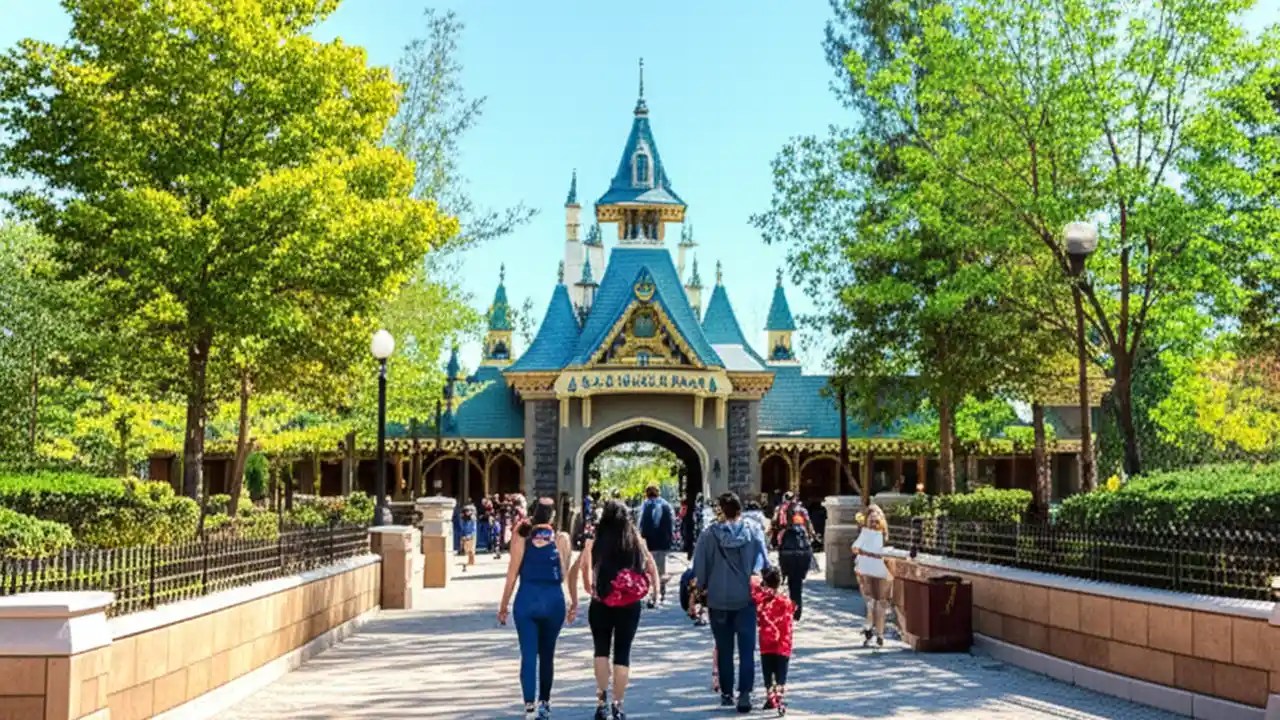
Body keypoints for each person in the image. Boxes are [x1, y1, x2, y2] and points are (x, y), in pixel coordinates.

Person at [573, 500, 658, 720]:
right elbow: (651, 565)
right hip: (629, 605)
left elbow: (583, 566)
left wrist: (587, 587)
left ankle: (601, 703)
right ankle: (618, 705)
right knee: (623, 653)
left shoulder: (596, 540)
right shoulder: (636, 540)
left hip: (601, 601)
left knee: (601, 650)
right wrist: (655, 592)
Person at [497, 498, 576, 719]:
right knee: (548, 655)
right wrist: (572, 601)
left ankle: (529, 707)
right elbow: (564, 573)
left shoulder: (521, 535)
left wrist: (503, 605)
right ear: (553, 516)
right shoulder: (561, 539)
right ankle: (545, 703)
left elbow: (512, 573)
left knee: (528, 655)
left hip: (527, 599)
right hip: (553, 601)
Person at [693, 491, 769, 713]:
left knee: (724, 648)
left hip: (718, 598)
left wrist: (700, 589)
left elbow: (700, 568)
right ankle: (744, 692)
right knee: (747, 649)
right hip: (746, 598)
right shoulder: (753, 531)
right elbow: (764, 561)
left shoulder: (709, 535)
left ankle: (727, 692)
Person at [752, 566, 795, 714]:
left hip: (766, 643)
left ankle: (771, 698)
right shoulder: (786, 601)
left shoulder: (762, 601)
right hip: (783, 644)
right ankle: (779, 699)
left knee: (768, 674)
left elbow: (758, 619)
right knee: (781, 674)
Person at [852, 504, 891, 647]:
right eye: (871, 521)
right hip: (865, 569)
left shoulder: (884, 534)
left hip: (880, 570)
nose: (874, 524)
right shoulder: (865, 533)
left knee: (881, 603)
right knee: (871, 602)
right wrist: (868, 553)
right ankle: (869, 628)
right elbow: (855, 548)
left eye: (877, 521)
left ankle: (879, 634)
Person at [775, 493, 815, 620]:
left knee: (789, 581)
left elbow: (774, 526)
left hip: (786, 550)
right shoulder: (802, 511)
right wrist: (812, 536)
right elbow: (809, 527)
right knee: (798, 583)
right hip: (802, 550)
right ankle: (797, 610)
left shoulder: (780, 510)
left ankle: (790, 607)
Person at [637, 484, 674, 608]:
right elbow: (671, 525)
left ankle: (650, 594)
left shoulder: (645, 506)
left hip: (648, 543)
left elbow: (639, 524)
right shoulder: (666, 505)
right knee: (660, 568)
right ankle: (660, 593)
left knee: (648, 569)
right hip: (662, 542)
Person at [459, 504, 478, 571]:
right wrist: (463, 535)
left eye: (469, 511)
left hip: (472, 535)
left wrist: (471, 535)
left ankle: (472, 561)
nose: (467, 512)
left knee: (471, 548)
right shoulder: (462, 519)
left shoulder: (473, 518)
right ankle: (469, 560)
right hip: (465, 534)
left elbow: (474, 528)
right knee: (466, 548)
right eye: (466, 511)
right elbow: (462, 528)